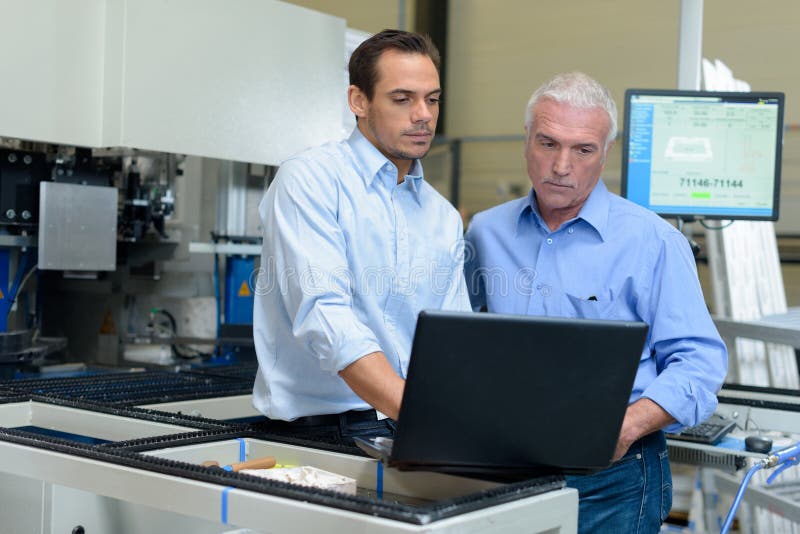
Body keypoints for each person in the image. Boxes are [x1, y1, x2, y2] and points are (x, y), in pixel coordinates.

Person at [463, 72, 727, 533]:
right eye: (547, 143)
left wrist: (623, 427)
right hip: (502, 467)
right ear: (526, 140)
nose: (561, 165)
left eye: (582, 149)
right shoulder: (485, 232)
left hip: (613, 477)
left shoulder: (654, 243)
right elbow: (461, 341)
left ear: (605, 154)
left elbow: (700, 364)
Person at [252, 29, 470, 445]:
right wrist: (425, 414)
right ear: (359, 101)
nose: (423, 114)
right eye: (402, 99)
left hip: (411, 426)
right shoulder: (311, 180)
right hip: (322, 434)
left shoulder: (442, 215)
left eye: (433, 99)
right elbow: (325, 316)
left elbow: (453, 336)